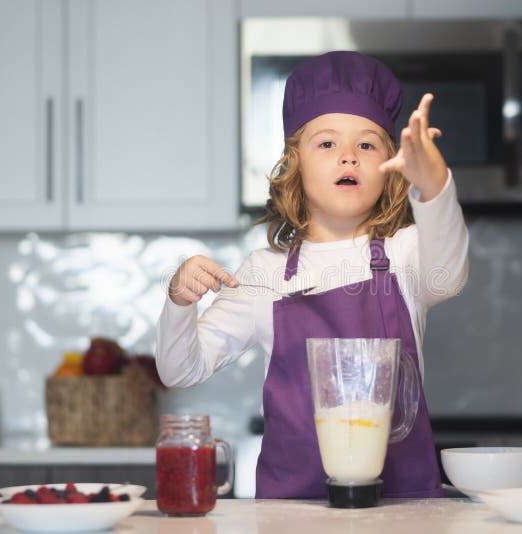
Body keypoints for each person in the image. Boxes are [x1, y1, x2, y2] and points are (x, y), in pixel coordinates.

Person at [157, 51, 469, 498]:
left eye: (367, 144)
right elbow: (179, 370)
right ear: (295, 163)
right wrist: (180, 302)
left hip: (403, 515)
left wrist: (434, 185)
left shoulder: (405, 256)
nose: (348, 157)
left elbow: (449, 274)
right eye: (327, 144)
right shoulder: (264, 275)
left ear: (390, 166)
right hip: (291, 517)